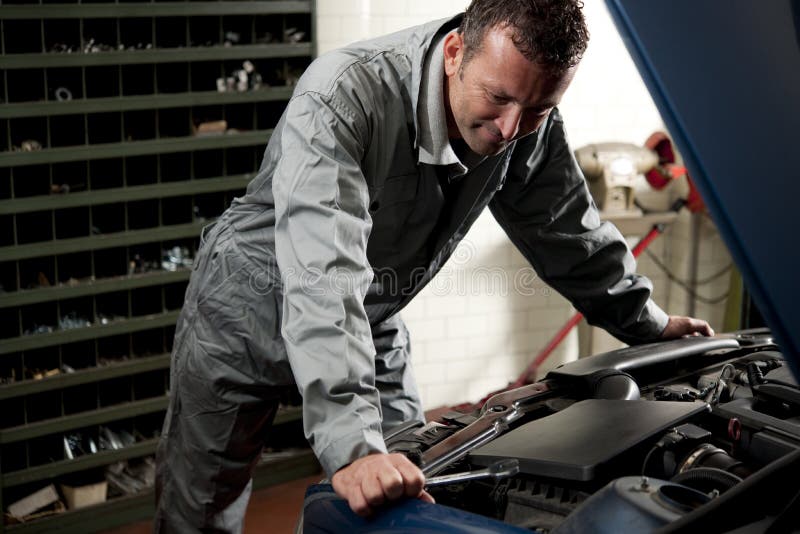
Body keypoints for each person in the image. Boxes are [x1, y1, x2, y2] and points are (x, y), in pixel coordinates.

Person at [154, 0, 713, 530]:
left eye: (537, 109)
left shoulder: (522, 118)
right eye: (497, 98)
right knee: (201, 507)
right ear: (453, 53)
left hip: (367, 316)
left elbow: (566, 229)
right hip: (243, 312)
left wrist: (650, 325)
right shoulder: (342, 96)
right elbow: (322, 273)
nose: (509, 130)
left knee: (419, 486)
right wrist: (353, 446)